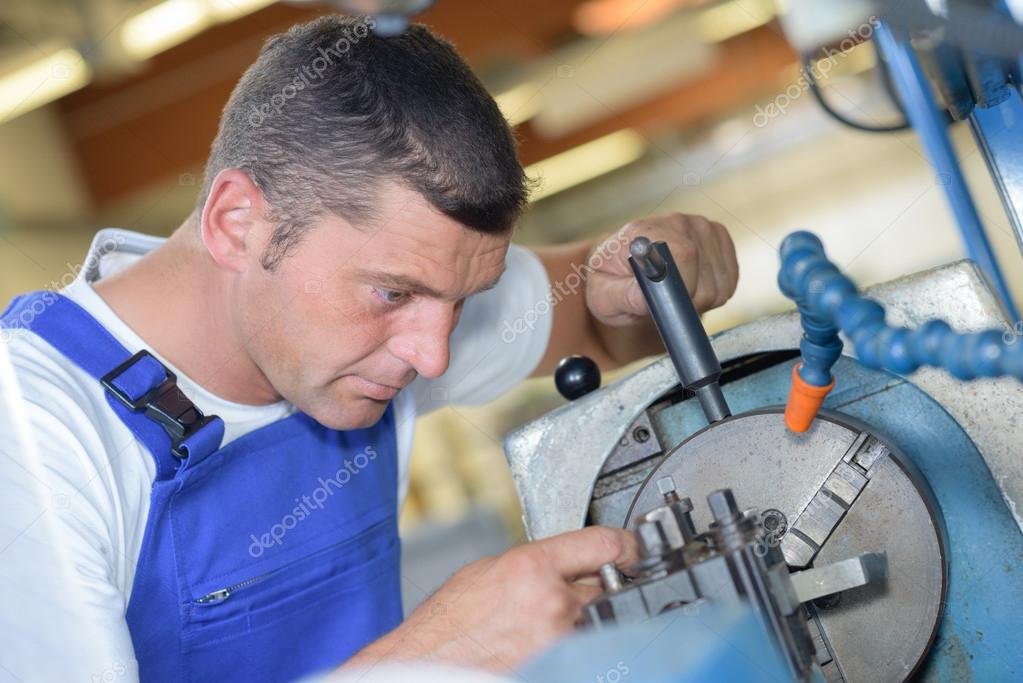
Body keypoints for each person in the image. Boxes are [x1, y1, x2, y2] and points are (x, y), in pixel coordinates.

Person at [0, 15, 737, 682]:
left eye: (463, 303)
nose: (433, 356)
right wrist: (432, 657)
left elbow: (602, 318)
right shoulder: (34, 432)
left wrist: (660, 267)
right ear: (235, 223)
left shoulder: (409, 291)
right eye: (391, 293)